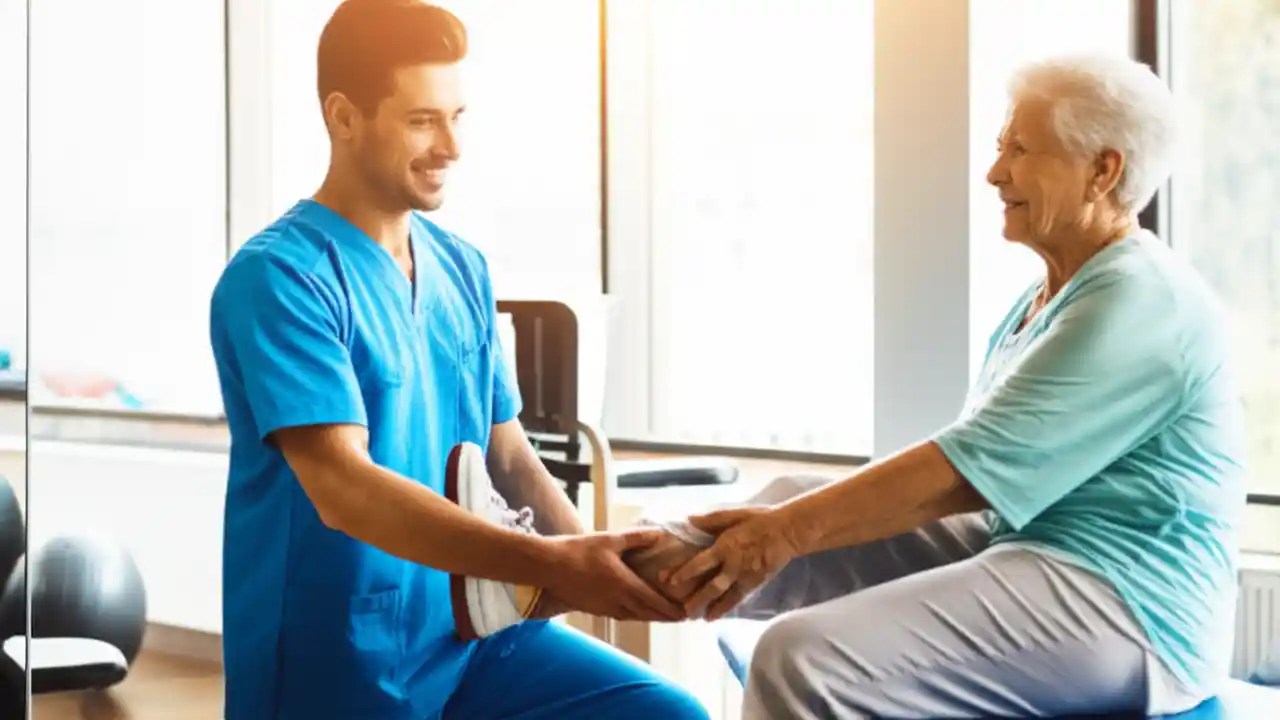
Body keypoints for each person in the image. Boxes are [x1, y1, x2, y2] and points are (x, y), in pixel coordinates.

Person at [647, 53, 1248, 719]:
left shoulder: (1141, 301)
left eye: (1021, 149)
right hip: (1026, 541)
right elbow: (975, 480)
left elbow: (967, 472)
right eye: (1000, 146)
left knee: (799, 659)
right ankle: (599, 565)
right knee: (788, 500)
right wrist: (755, 534)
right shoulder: (1054, 294)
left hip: (1135, 607)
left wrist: (783, 535)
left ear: (1103, 171)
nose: (996, 173)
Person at [208, 2, 707, 718]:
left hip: (473, 638)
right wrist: (553, 566)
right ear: (345, 117)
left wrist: (607, 564)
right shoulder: (280, 279)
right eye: (421, 120)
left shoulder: (462, 269)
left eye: (457, 116)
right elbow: (342, 488)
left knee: (667, 713)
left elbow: (509, 458)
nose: (452, 146)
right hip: (340, 657)